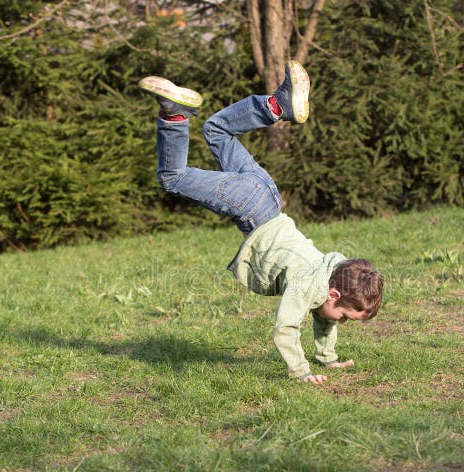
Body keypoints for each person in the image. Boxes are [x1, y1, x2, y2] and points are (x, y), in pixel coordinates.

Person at [140, 61, 384, 384]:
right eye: (345, 316)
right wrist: (301, 372)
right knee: (172, 178)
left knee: (216, 130)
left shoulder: (330, 273)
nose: (341, 321)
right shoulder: (308, 284)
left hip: (267, 194)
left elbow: (325, 319)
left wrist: (328, 359)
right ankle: (175, 114)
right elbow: (285, 328)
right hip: (253, 207)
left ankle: (278, 105)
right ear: (334, 295)